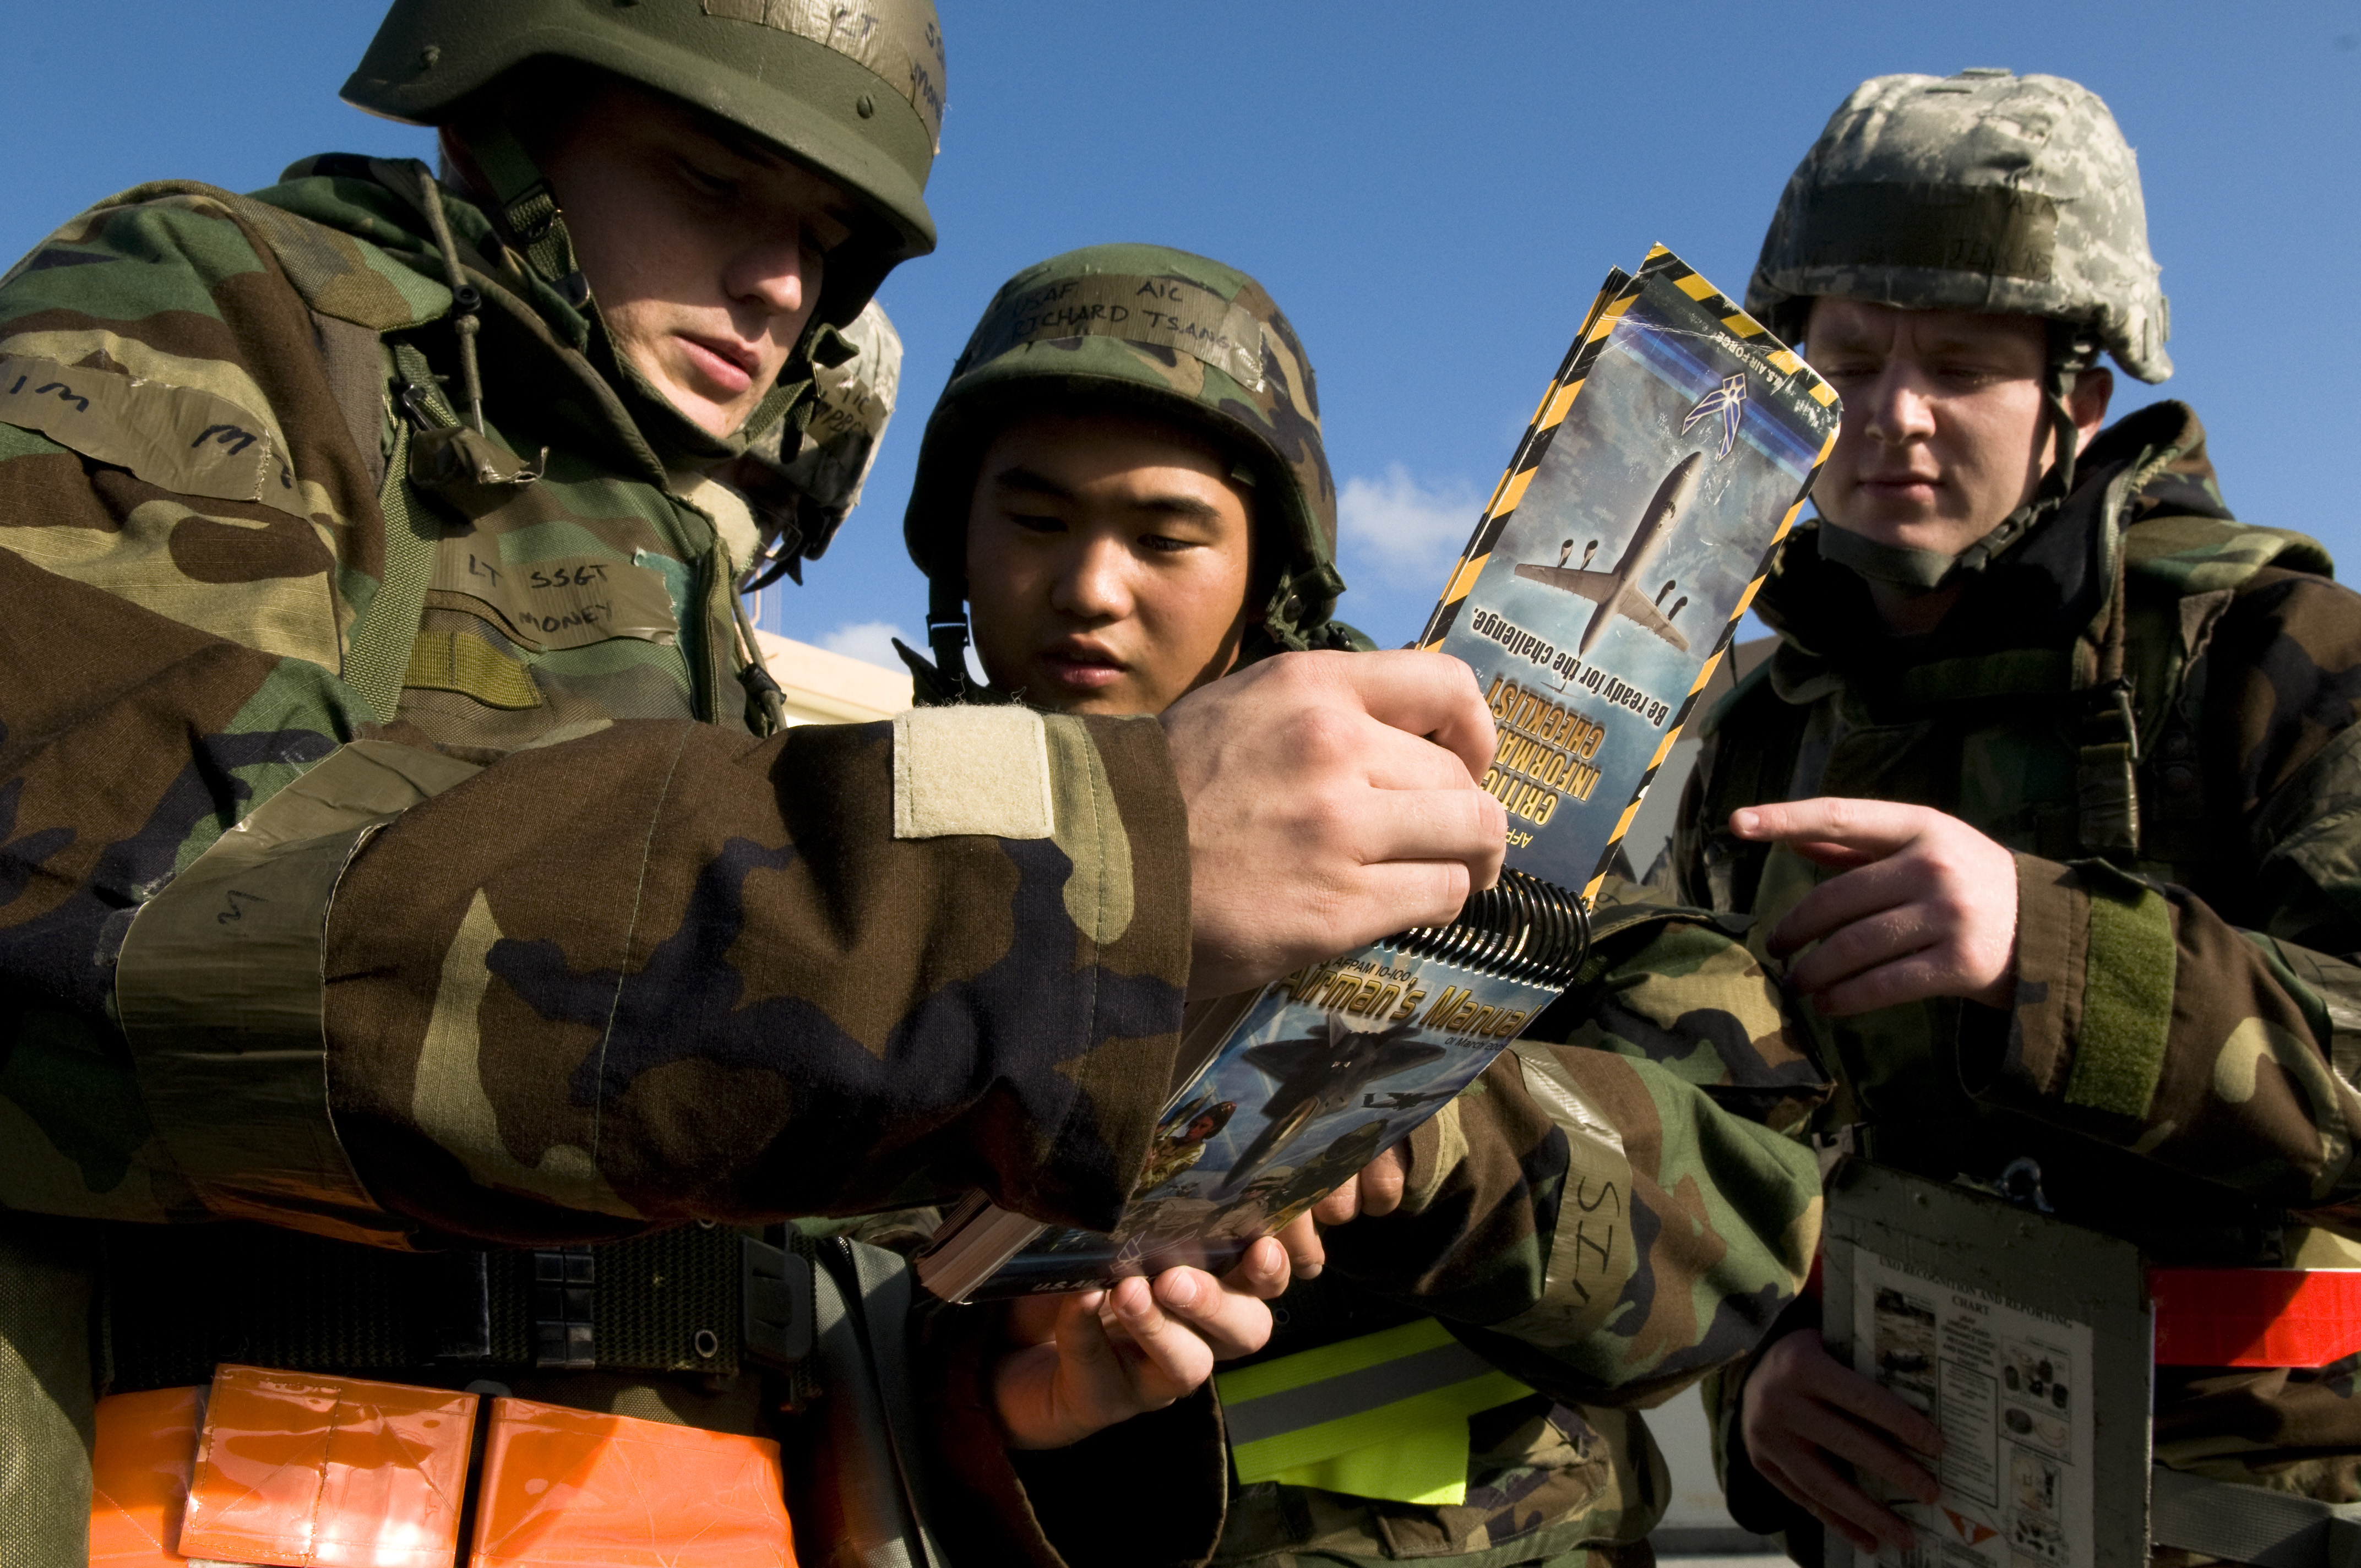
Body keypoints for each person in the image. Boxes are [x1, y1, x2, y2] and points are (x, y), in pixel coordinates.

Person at [0, 6, 1514, 1563]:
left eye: (827, 236)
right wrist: (1101, 846)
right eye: (713, 184)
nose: (781, 283)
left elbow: (705, 1180)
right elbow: (127, 920)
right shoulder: (219, 313)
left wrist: (995, 1389)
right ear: (503, 115)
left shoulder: (678, 572)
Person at [900, 242, 1829, 1566]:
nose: (1090, 588)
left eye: (1165, 535)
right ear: (957, 545)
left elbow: (1745, 1233)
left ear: (1270, 572)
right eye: (1035, 521)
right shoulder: (875, 874)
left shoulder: (1466, 825)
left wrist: (1417, 1114)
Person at [1671, 69, 2361, 1562]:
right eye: (1845, 361)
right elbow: (1706, 1145)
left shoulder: (2277, 655)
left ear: (2076, 401)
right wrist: (1756, 1382)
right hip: (1903, 1520)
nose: (1890, 419)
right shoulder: (1756, 736)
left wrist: (2048, 949)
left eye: (1964, 363)